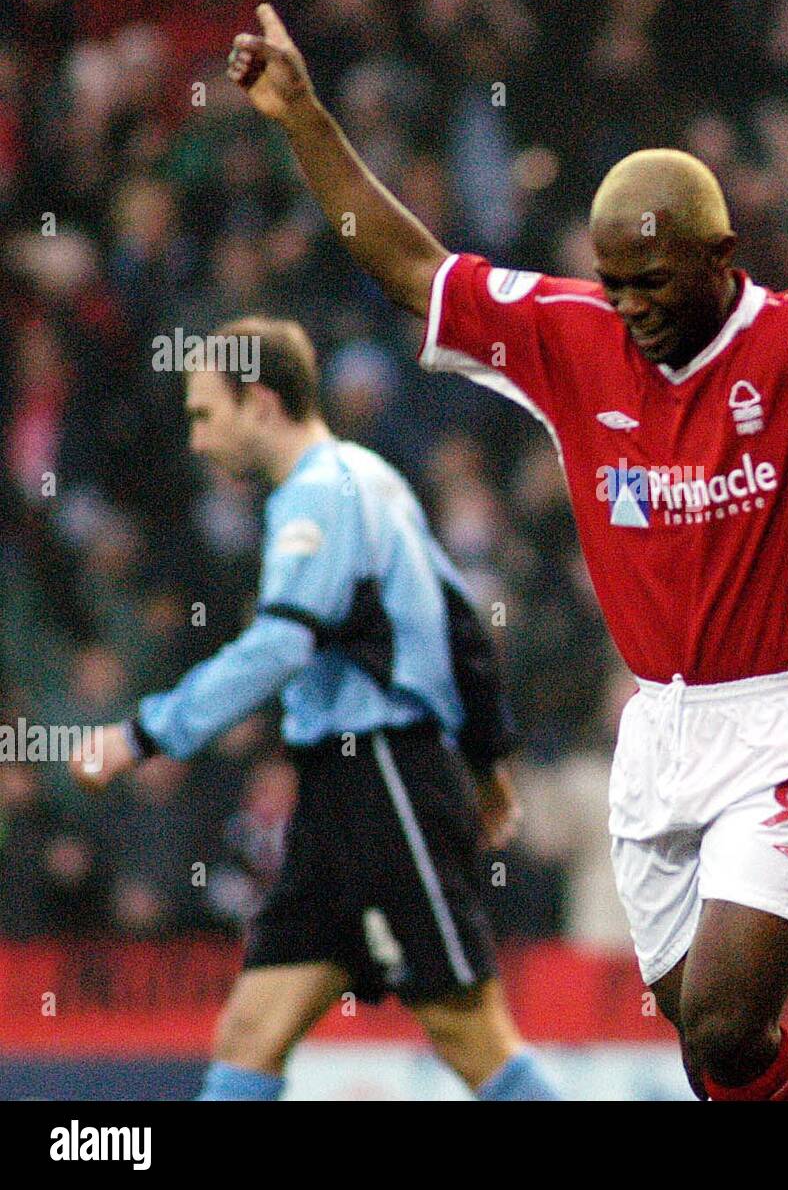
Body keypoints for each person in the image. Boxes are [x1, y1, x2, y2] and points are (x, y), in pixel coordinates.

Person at [226, 3, 788, 1100]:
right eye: (614, 281)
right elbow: (413, 268)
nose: (631, 306)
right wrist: (301, 115)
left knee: (725, 1020)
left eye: (653, 281)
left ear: (722, 257)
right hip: (657, 732)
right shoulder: (569, 337)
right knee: (708, 1050)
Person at [71, 316, 559, 1102]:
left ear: (259, 401)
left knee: (470, 1033)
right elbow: (458, 619)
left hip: (387, 775)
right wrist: (486, 759)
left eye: (204, 414)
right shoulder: (369, 479)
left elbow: (277, 648)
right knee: (251, 1033)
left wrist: (143, 734)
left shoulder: (320, 498)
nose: (196, 441)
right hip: (342, 793)